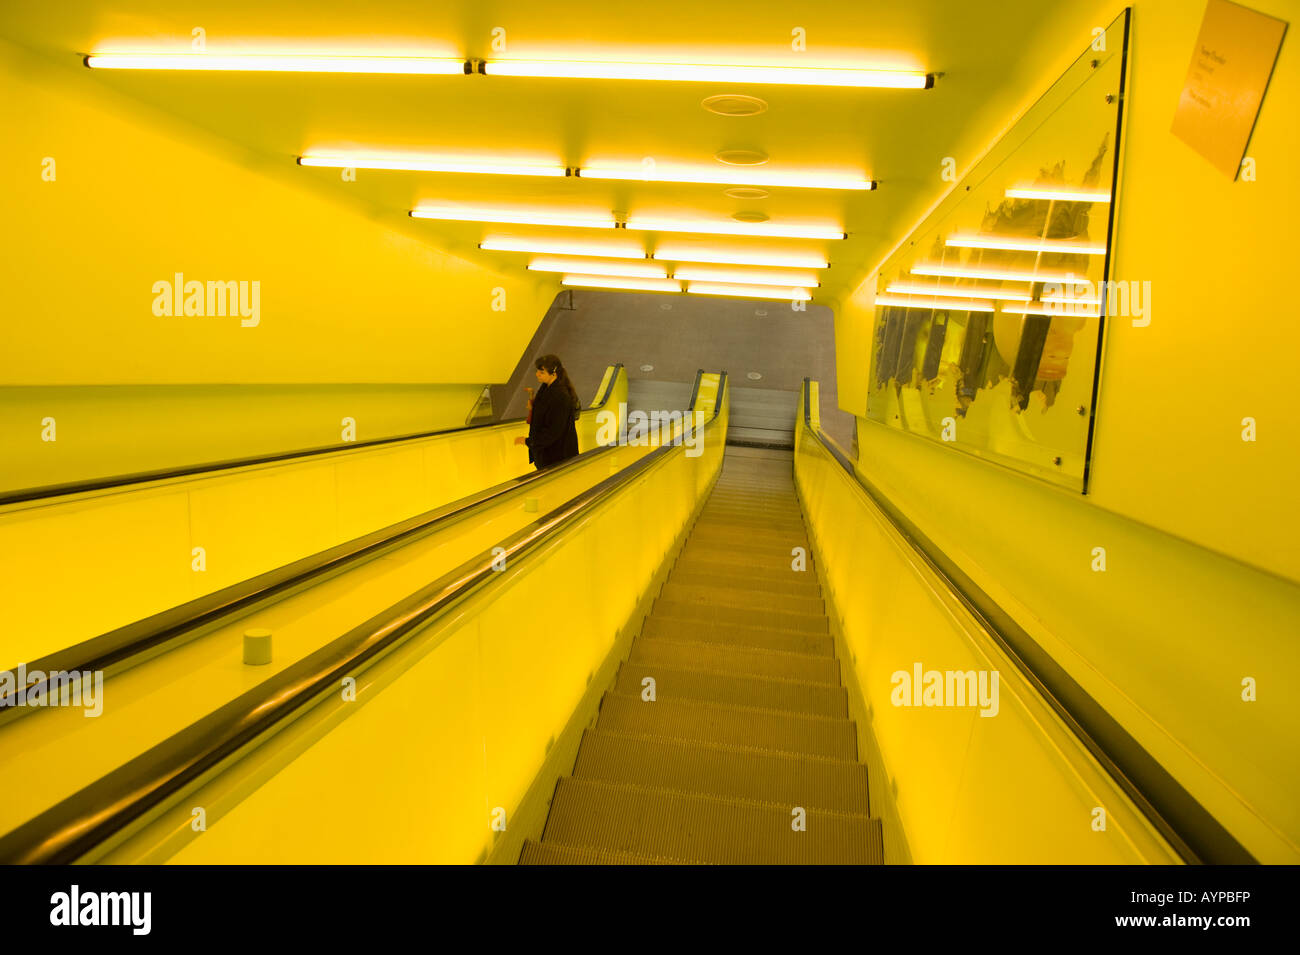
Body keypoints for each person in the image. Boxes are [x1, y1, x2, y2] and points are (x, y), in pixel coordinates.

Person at [515, 354, 580, 468]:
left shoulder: (560, 395)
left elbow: (553, 431)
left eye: (541, 372)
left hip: (558, 457)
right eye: (537, 371)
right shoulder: (546, 388)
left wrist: (528, 442)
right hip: (547, 454)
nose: (537, 374)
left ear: (553, 374)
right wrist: (533, 407)